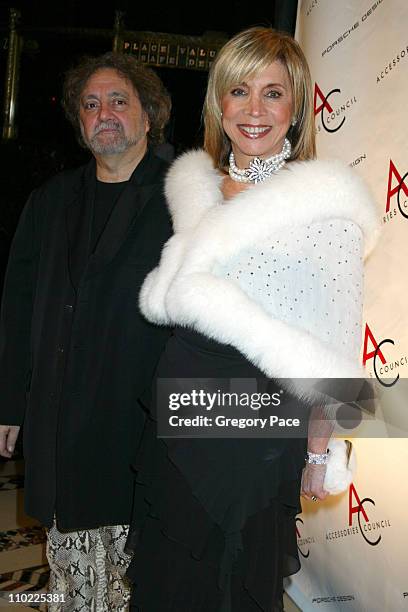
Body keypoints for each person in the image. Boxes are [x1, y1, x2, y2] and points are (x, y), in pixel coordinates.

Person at [124, 27, 379, 611]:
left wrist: (319, 450)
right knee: (170, 577)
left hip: (258, 427)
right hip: (178, 411)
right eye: (239, 91)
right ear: (218, 103)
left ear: (298, 106)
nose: (255, 110)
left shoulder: (325, 200)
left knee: (232, 582)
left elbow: (336, 343)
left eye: (274, 93)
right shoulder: (196, 190)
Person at [0, 52, 172, 610]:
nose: (105, 115)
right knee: (72, 575)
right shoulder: (49, 202)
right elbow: (17, 307)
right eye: (91, 105)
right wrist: (10, 403)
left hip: (142, 421)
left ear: (149, 114)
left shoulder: (184, 197)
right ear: (79, 123)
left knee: (140, 576)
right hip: (61, 420)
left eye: (119, 101)